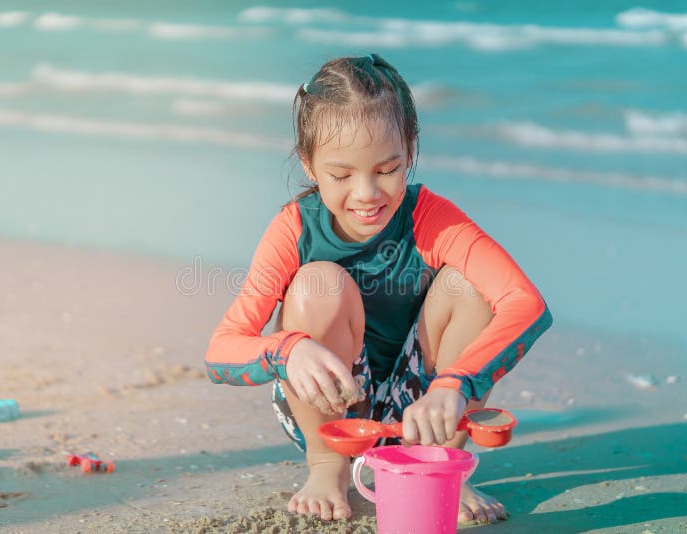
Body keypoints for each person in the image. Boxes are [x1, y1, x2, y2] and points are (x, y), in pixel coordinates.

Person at [205, 53, 552, 524]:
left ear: (409, 149)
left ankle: (441, 463)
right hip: (330, 408)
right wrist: (286, 350)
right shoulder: (295, 229)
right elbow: (221, 351)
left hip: (427, 409)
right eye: (342, 175)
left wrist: (458, 382)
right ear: (309, 164)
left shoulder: (432, 218)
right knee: (317, 284)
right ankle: (327, 467)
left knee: (469, 284)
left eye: (387, 169)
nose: (367, 194)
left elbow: (525, 304)